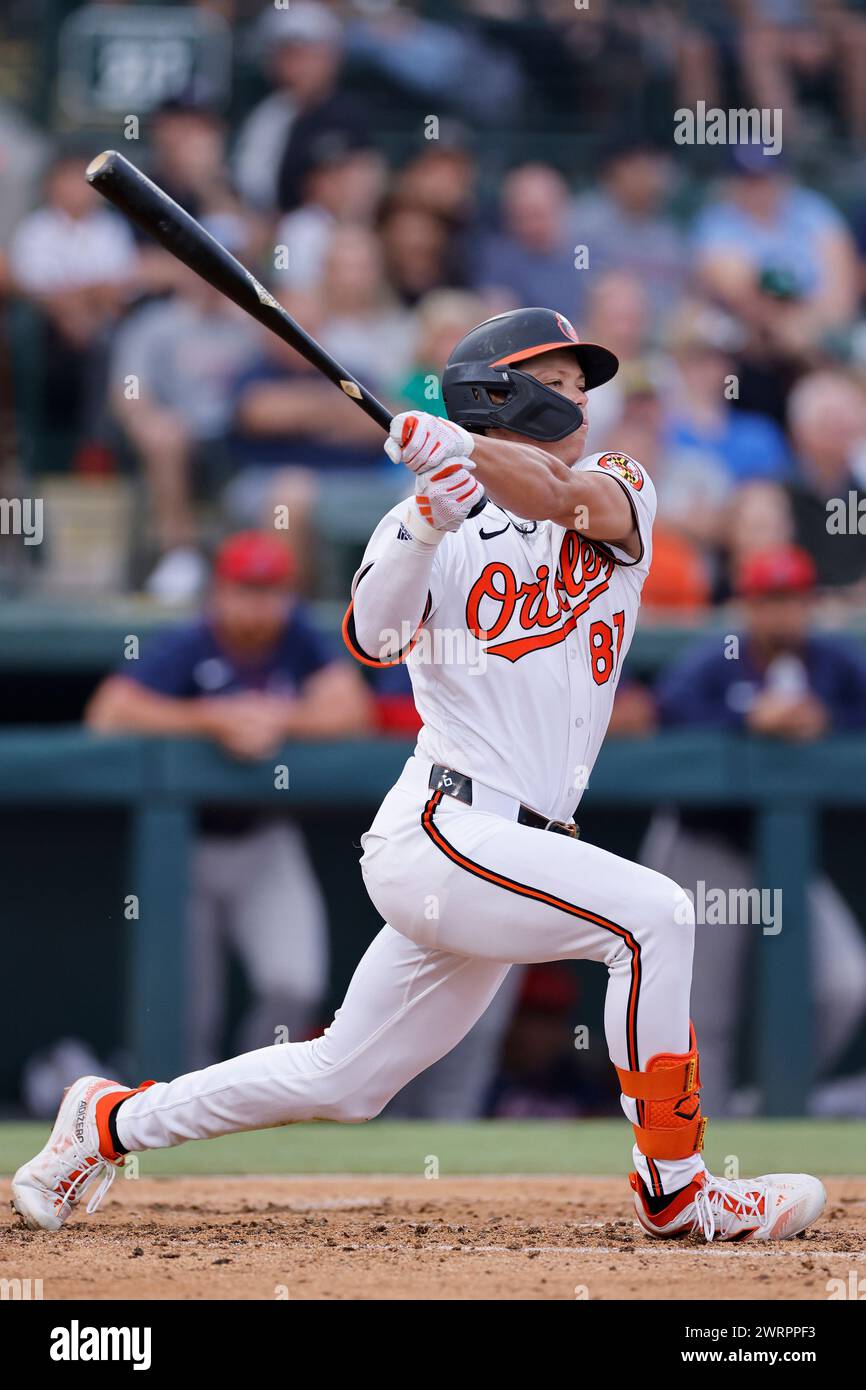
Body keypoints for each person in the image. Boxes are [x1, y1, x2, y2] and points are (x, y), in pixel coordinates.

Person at [13, 307, 826, 1243]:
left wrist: (468, 460)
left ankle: (107, 1124)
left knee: (344, 1081)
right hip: (447, 827)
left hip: (518, 844)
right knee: (657, 918)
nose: (580, 399)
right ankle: (680, 1193)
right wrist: (431, 517)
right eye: (557, 382)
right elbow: (371, 638)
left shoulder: (616, 483)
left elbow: (565, 499)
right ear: (498, 391)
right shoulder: (425, 515)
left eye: (580, 384)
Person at [84, 531, 374, 1069]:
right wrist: (213, 719)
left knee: (294, 982)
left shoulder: (298, 638)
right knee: (188, 1010)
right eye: (245, 589)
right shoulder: (192, 641)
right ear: (219, 591)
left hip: (264, 840)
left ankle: (251, 1096)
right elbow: (108, 713)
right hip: (185, 848)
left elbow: (352, 712)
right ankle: (183, 1123)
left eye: (270, 591)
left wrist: (274, 716)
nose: (259, 605)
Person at [642, 544, 866, 1116]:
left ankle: (762, 1106)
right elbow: (666, 718)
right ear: (747, 604)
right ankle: (698, 1147)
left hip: (784, 855)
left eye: (792, 601)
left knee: (844, 984)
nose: (782, 614)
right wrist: (747, 720)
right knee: (701, 1012)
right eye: (770, 601)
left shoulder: (832, 663)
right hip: (703, 846)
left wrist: (826, 721)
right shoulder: (716, 657)